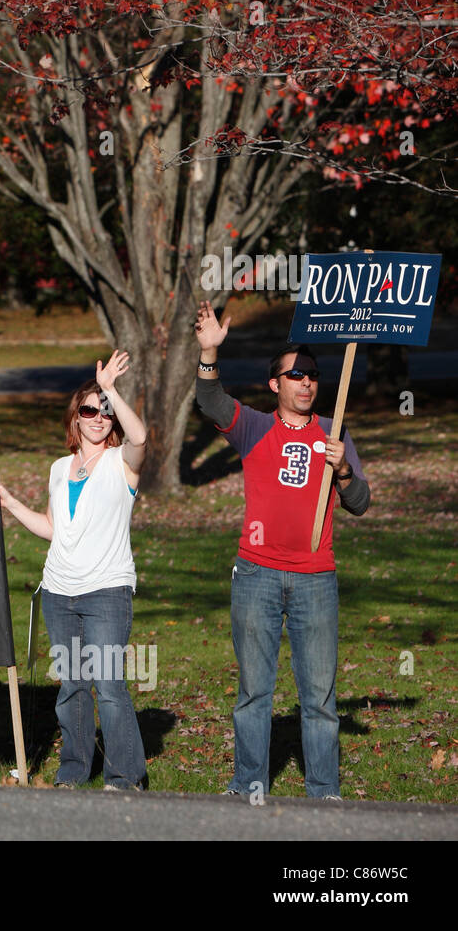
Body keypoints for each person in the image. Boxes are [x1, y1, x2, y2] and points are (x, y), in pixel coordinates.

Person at [193, 302, 370, 800]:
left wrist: (344, 472)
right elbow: (208, 399)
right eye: (296, 375)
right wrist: (209, 352)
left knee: (319, 697)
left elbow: (359, 503)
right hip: (257, 575)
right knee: (255, 693)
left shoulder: (334, 434)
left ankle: (323, 791)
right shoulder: (253, 427)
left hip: (317, 578)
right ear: (276, 385)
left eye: (312, 375)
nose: (306, 382)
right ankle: (248, 784)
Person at [0, 350, 148, 790]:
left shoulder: (122, 464)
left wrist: (114, 390)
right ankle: (73, 774)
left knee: (110, 687)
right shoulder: (60, 468)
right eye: (89, 409)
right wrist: (13, 504)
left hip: (106, 592)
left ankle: (125, 777)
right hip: (59, 592)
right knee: (72, 688)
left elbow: (142, 439)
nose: (98, 417)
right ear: (75, 419)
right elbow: (54, 529)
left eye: (105, 411)